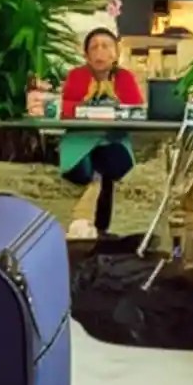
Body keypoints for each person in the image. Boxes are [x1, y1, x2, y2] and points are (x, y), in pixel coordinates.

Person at [59, 28, 144, 236]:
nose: (100, 52)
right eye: (94, 47)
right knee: (85, 169)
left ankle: (91, 222)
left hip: (112, 141)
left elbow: (135, 109)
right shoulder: (77, 76)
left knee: (110, 162)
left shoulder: (124, 77)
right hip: (80, 140)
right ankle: (99, 226)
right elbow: (65, 108)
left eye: (105, 46)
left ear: (115, 53)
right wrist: (87, 102)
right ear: (86, 55)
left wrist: (110, 105)